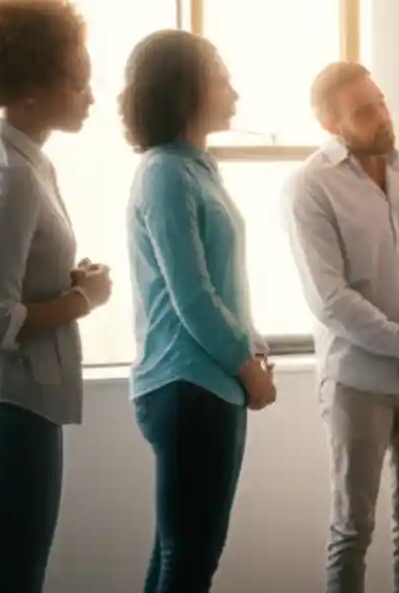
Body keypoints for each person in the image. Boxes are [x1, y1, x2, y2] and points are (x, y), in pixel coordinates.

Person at [0, 0, 114, 592]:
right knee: (10, 582)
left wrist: (64, 284)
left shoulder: (22, 158)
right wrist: (83, 301)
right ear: (33, 89)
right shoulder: (8, 174)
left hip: (10, 404)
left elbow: (7, 279)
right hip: (4, 405)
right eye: (78, 81)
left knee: (10, 578)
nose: (91, 95)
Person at [282, 61, 399, 593]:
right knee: (351, 529)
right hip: (357, 381)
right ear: (330, 124)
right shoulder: (309, 188)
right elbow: (330, 299)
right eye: (364, 111)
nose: (383, 117)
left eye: (381, 101)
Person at [120, 29, 277, 593]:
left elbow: (225, 283)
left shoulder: (196, 167)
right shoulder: (164, 171)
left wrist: (253, 346)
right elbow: (191, 294)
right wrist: (244, 363)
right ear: (186, 89)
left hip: (209, 383)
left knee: (178, 556)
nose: (232, 89)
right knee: (189, 560)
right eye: (220, 76)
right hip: (188, 385)